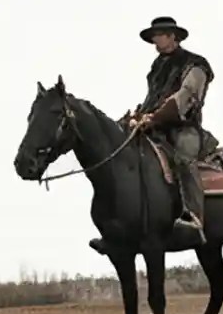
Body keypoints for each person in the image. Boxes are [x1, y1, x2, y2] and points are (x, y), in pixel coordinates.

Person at [90, 16, 214, 253]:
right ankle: (118, 228)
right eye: (154, 36)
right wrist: (138, 116)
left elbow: (185, 97)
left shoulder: (196, 65)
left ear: (173, 36)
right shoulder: (157, 67)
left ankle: (193, 218)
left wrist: (155, 117)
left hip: (183, 128)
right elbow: (152, 99)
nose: (156, 40)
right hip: (156, 128)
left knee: (184, 158)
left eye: (160, 35)